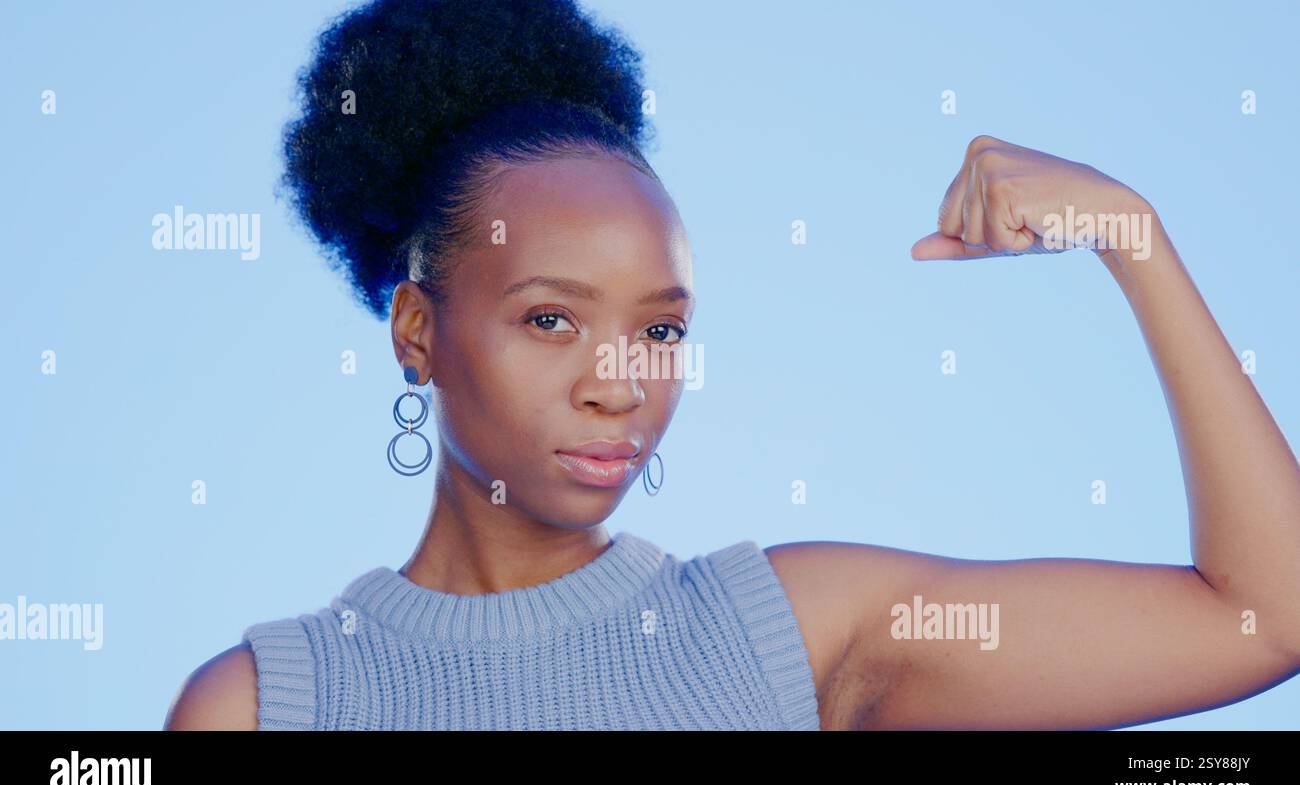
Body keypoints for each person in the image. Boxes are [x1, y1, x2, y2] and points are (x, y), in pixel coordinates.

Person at [164, 0, 1300, 730]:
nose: (620, 382)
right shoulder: (266, 708)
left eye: (660, 329)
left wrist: (1130, 235)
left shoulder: (785, 636)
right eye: (552, 319)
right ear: (418, 330)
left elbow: (1265, 620)